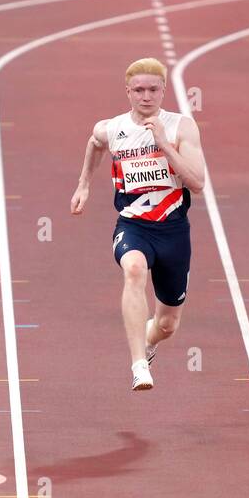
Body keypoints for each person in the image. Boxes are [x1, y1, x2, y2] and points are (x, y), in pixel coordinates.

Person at [70, 57, 205, 391]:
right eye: (139, 90)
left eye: (154, 90)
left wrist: (164, 145)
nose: (147, 97)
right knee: (133, 269)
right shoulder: (113, 127)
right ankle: (138, 365)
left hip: (173, 232)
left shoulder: (180, 127)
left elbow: (198, 183)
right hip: (133, 226)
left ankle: (148, 339)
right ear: (128, 91)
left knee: (168, 324)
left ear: (163, 91)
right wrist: (83, 184)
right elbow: (94, 142)